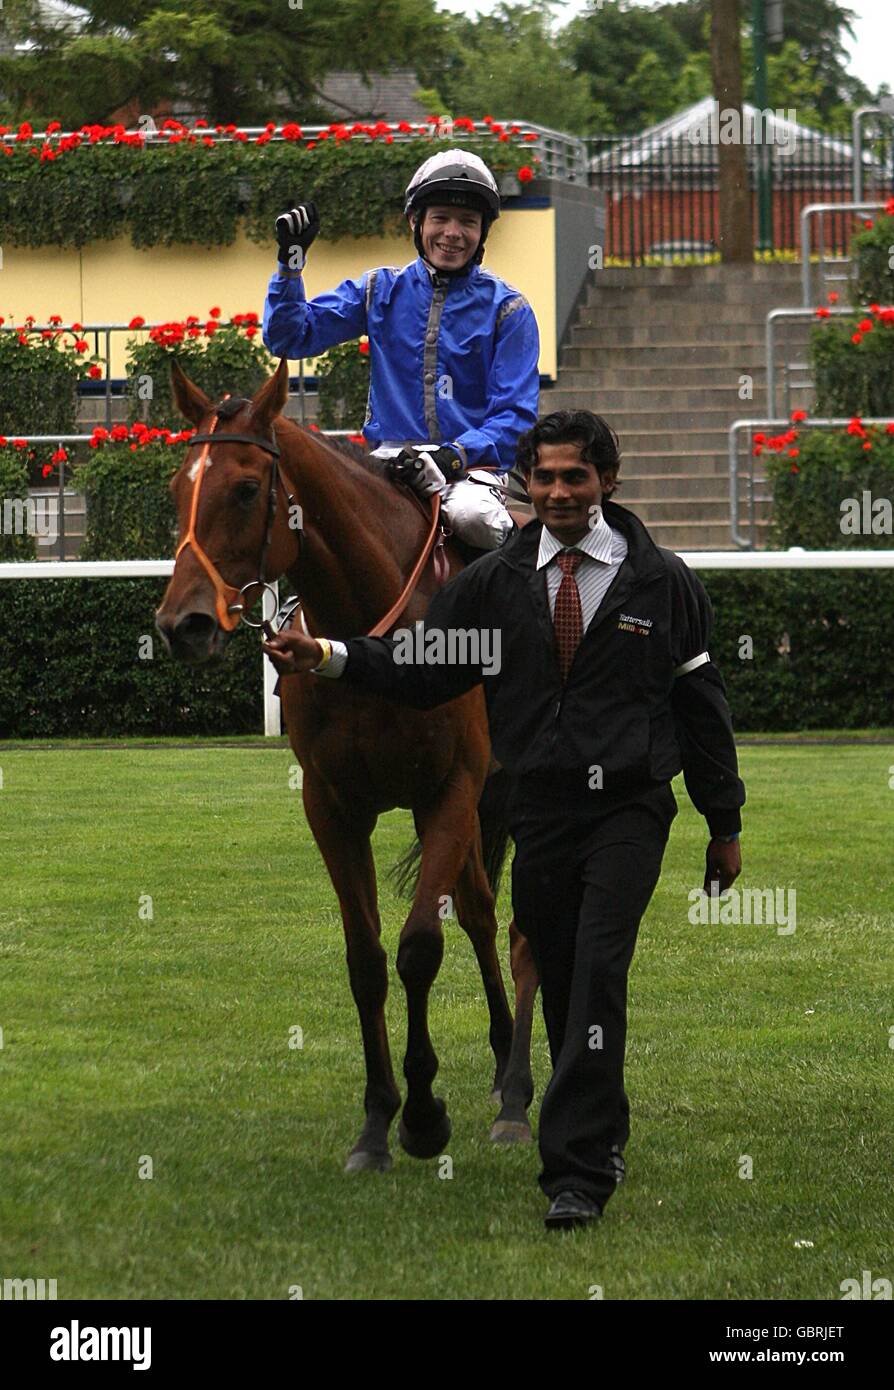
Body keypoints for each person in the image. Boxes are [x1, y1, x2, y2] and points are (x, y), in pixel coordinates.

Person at [262, 410, 746, 1230]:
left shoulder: (664, 580)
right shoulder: (493, 583)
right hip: (543, 809)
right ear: (531, 484)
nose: (559, 493)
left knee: (596, 971)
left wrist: (723, 823)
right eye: (547, 478)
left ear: (607, 481)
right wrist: (332, 656)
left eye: (576, 477)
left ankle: (576, 1174)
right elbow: (423, 669)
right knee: (562, 980)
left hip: (629, 807)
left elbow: (703, 707)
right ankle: (604, 1128)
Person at [262, 148, 540, 550]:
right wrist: (290, 264)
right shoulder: (378, 290)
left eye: (467, 222)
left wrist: (452, 457)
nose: (453, 233)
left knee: (473, 518)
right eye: (440, 218)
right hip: (388, 461)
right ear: (416, 221)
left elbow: (515, 416)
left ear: (483, 232)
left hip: (471, 473)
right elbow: (290, 337)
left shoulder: (509, 309)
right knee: (316, 516)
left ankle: (522, 581)